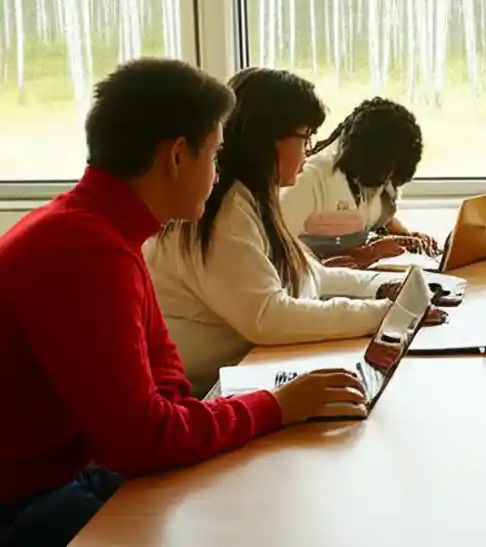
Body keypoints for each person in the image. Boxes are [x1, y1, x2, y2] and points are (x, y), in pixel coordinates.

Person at [0, 59, 365, 547]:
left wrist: (267, 410)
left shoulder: (110, 231)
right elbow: (140, 441)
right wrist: (277, 407)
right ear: (176, 156)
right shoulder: (85, 251)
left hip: (67, 474)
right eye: (214, 156)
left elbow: (166, 381)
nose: (218, 174)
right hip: (24, 502)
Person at [145, 68, 401, 397]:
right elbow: (269, 317)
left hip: (239, 377)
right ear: (266, 138)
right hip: (200, 397)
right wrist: (382, 314)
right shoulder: (222, 212)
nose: (309, 150)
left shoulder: (252, 198)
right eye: (305, 136)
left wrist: (390, 290)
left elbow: (312, 277)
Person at [280, 97, 437, 269]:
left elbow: (375, 215)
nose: (386, 180)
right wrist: (367, 253)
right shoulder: (310, 179)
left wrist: (406, 237)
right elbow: (276, 250)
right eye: (386, 170)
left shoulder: (374, 181)